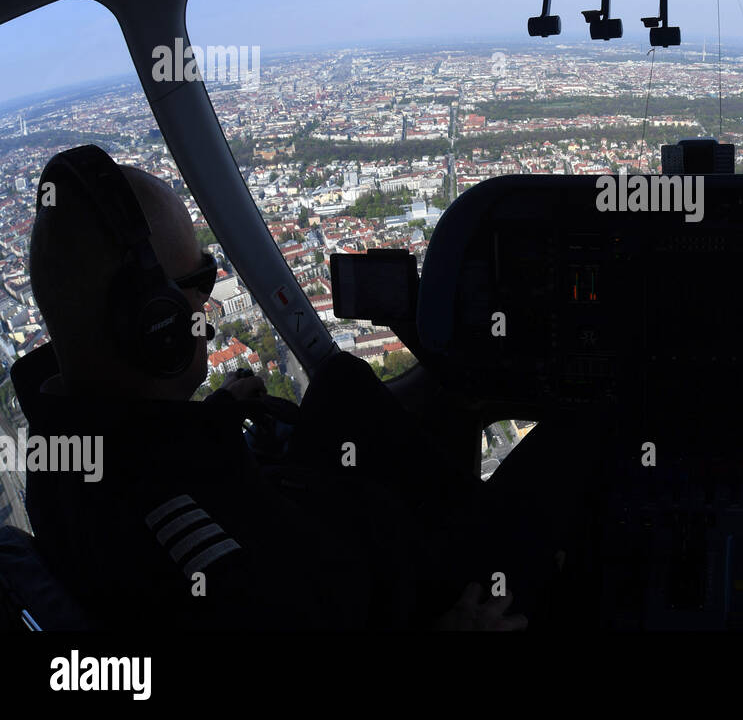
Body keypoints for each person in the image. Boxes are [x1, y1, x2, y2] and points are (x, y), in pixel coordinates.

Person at [16, 145, 525, 629]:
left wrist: (216, 413)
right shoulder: (212, 567)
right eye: (199, 280)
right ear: (157, 324)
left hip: (295, 512)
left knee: (342, 382)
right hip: (381, 586)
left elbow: (146, 445)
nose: (208, 304)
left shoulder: (63, 443)